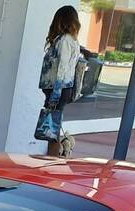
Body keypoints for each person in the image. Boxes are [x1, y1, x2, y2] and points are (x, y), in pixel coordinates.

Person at [36, 6, 83, 159]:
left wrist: (55, 95)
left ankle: (51, 162)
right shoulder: (72, 41)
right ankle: (53, 159)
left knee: (51, 129)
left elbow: (62, 68)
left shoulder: (64, 41)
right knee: (53, 127)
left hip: (58, 89)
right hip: (62, 88)